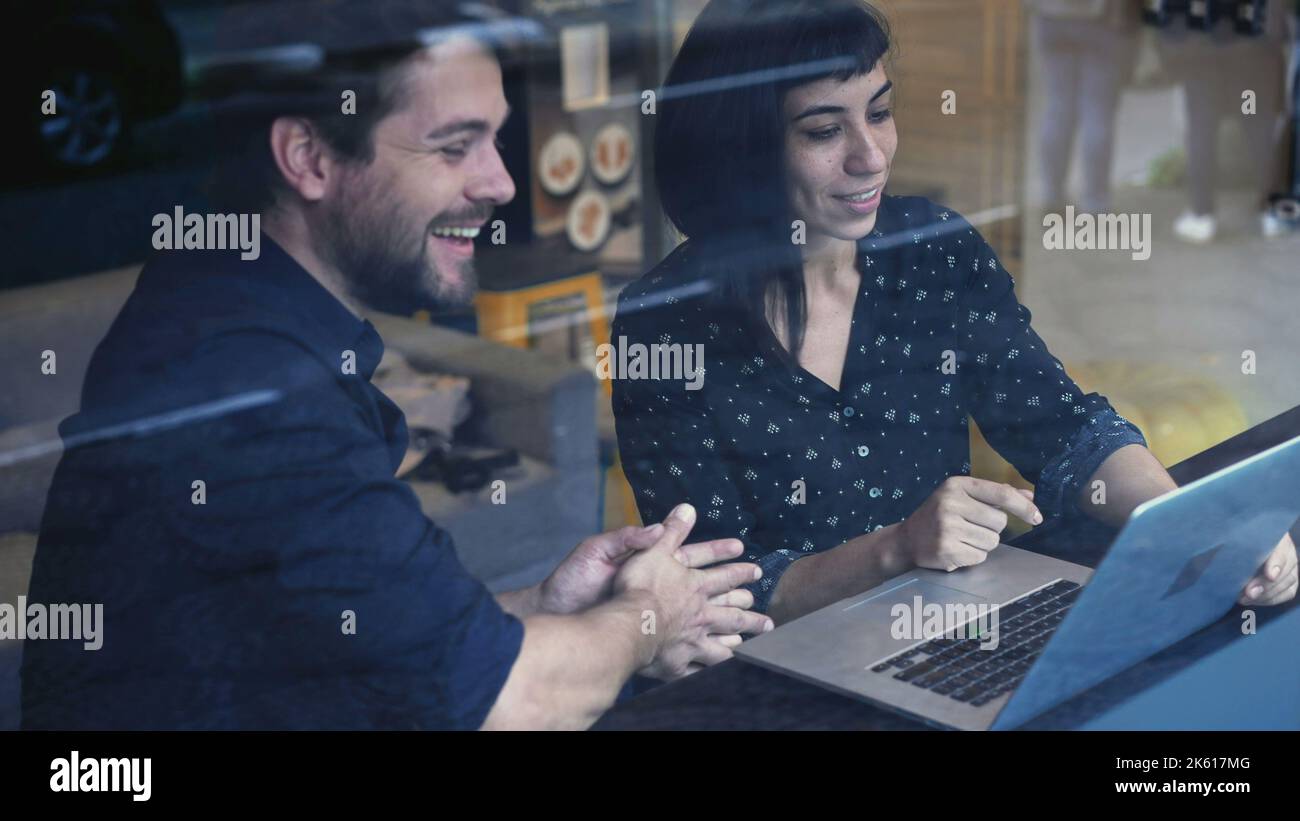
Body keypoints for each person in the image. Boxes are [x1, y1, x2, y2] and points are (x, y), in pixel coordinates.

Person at [21, 6, 771, 731]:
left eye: (494, 140)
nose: (501, 183)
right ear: (309, 158)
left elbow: (387, 648)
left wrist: (549, 603)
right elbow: (510, 704)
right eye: (454, 146)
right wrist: (649, 616)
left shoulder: (233, 290)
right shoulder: (250, 389)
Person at [612, 0, 1297, 626]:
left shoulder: (932, 253)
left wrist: (1191, 525)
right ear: (741, 148)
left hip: (950, 630)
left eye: (879, 113)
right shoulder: (665, 322)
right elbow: (715, 588)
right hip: (782, 676)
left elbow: (1067, 432)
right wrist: (899, 547)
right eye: (825, 130)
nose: (870, 156)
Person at [1028, 0, 1142, 214]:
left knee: (1058, 106)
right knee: (1098, 110)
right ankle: (1095, 203)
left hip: (1050, 16)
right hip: (1101, 19)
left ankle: (1052, 197)